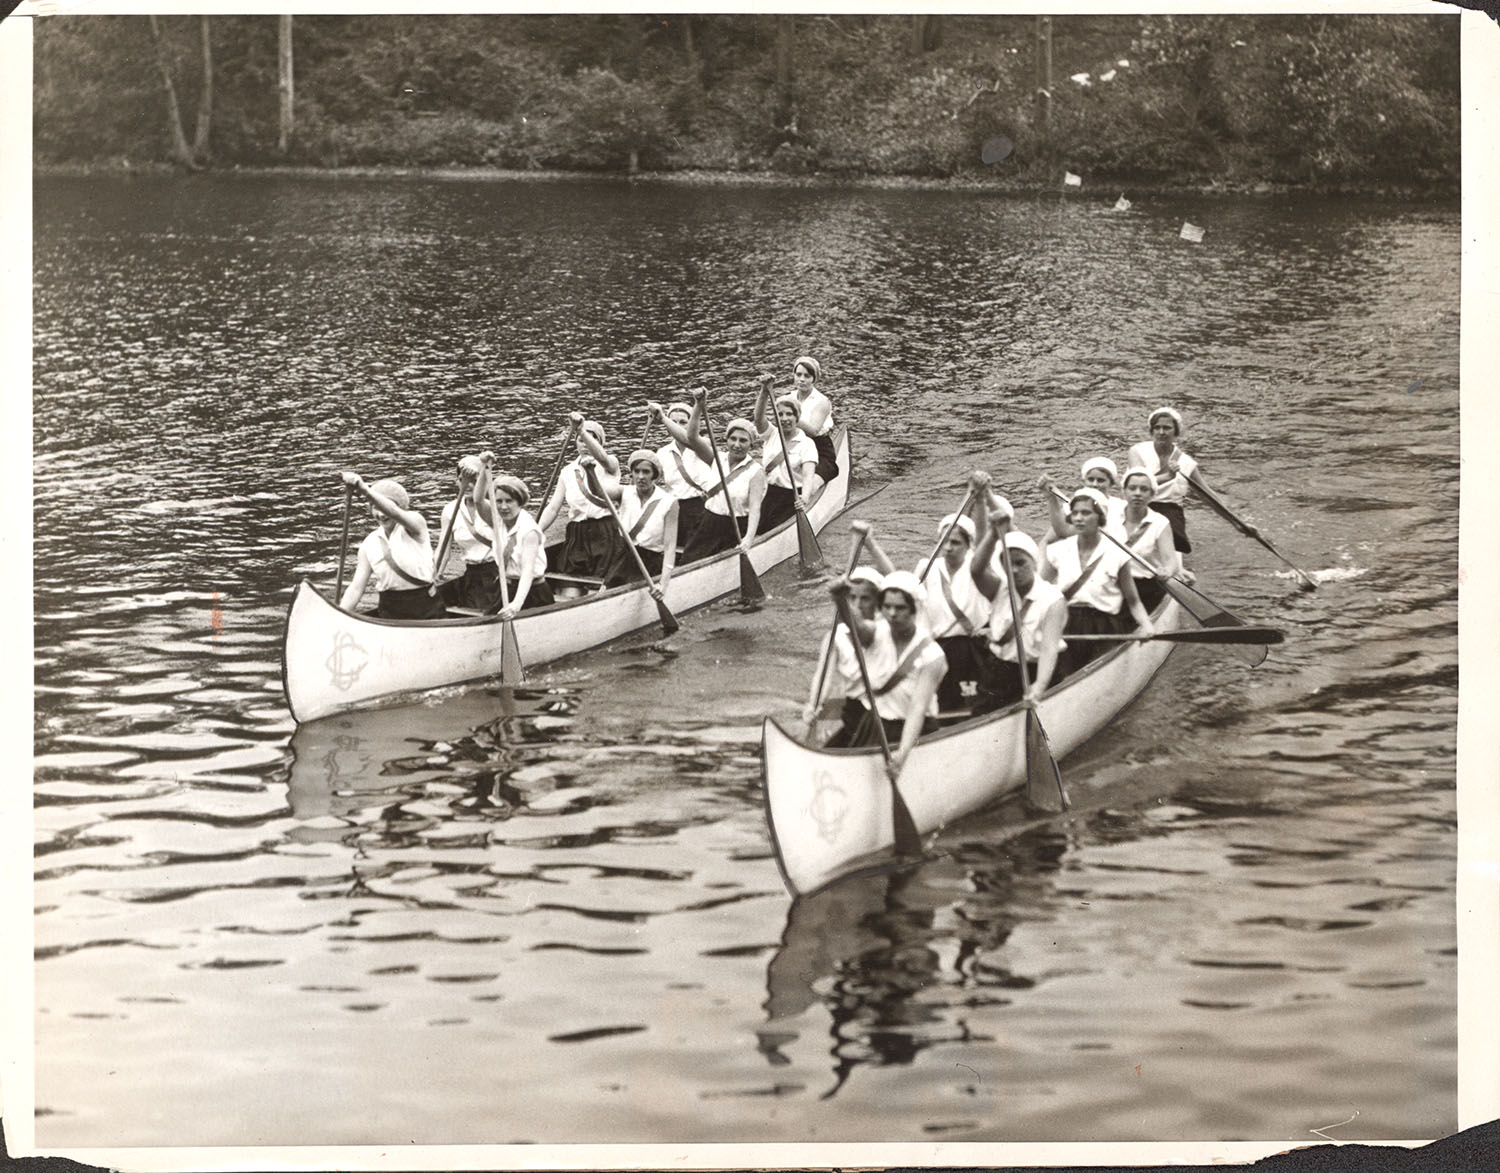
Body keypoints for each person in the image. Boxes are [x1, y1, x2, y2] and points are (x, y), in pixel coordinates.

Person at [830, 569, 948, 780]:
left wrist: (902, 756)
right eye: (887, 607)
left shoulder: (933, 655)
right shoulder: (875, 633)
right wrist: (839, 599)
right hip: (877, 725)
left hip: (915, 732)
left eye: (900, 608)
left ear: (913, 610)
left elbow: (917, 708)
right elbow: (855, 625)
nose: (892, 614)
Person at [1041, 486, 1154, 677]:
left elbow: (1133, 601)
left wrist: (1146, 625)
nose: (1078, 518)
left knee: (1093, 672)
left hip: (1105, 625)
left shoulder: (1117, 554)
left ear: (1100, 517)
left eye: (1085, 513)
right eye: (1074, 513)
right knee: (1060, 675)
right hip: (1066, 623)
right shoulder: (1057, 551)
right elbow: (1038, 592)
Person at [970, 517, 1069, 714]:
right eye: (1008, 563)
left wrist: (1039, 687)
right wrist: (992, 533)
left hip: (1037, 670)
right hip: (1001, 670)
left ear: (1033, 563)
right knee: (982, 713)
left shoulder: (1052, 599)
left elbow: (1049, 649)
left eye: (1020, 563)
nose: (1014, 569)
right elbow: (976, 570)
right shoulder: (998, 589)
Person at [912, 511, 992, 713]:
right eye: (944, 541)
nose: (948, 548)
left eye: (955, 542)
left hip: (971, 648)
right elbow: (908, 598)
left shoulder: (977, 567)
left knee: (974, 704)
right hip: (937, 648)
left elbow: (983, 537)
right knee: (941, 703)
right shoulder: (926, 566)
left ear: (968, 544)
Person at [537, 413, 625, 594]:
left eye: (593, 439)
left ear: (601, 443)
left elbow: (602, 458)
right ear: (575, 442)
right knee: (569, 592)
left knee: (597, 591)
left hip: (606, 533)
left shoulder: (610, 464)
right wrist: (535, 531)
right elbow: (553, 508)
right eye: (581, 440)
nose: (585, 444)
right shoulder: (567, 471)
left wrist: (581, 430)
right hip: (577, 536)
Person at [337, 472, 445, 619]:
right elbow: (356, 588)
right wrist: (338, 616)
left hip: (425, 607)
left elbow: (394, 512)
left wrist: (364, 489)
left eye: (383, 507)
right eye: (375, 508)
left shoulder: (416, 525)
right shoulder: (369, 543)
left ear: (400, 507)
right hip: (389, 610)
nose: (381, 514)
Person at [677, 392, 767, 561]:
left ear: (751, 444)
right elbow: (691, 437)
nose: (737, 445)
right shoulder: (717, 459)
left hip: (735, 527)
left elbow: (755, 509)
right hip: (708, 523)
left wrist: (748, 539)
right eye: (733, 439)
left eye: (743, 440)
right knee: (687, 562)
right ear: (726, 439)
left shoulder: (756, 472)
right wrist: (698, 405)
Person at [806, 558, 886, 747]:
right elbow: (822, 676)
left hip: (885, 710)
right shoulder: (835, 636)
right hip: (855, 712)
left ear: (877, 602)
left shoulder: (887, 629)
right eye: (852, 598)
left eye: (865, 598)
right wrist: (814, 704)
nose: (857, 605)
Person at [1126, 406, 1211, 554]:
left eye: (1167, 428)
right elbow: (1139, 482)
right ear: (1151, 431)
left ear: (1176, 432)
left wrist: (1240, 525)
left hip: (1170, 512)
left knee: (1173, 543)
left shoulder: (1187, 463)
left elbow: (1208, 495)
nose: (1161, 432)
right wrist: (1168, 476)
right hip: (1140, 504)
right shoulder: (1137, 451)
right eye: (1157, 427)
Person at [598, 448, 680, 592]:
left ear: (655, 475)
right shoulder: (624, 492)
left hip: (651, 562)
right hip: (624, 559)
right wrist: (590, 472)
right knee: (603, 593)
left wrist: (663, 584)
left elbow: (669, 548)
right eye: (636, 471)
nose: (640, 476)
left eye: (646, 472)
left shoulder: (669, 502)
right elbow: (597, 491)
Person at [1117, 466, 1189, 613]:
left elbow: (1170, 560)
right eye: (1132, 488)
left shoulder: (1160, 522)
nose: (1137, 493)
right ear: (1124, 492)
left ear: (1152, 494)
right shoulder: (1109, 516)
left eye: (1144, 489)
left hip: (1144, 586)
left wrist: (1167, 571)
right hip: (1112, 582)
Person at [436, 453, 502, 611]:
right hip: (472, 575)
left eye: (473, 481)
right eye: (462, 480)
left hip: (499, 572)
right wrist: (434, 573)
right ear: (456, 482)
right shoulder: (450, 510)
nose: (468, 486)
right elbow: (443, 551)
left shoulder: (497, 507)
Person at [753, 377, 819, 531]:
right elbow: (758, 418)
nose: (784, 419)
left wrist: (805, 497)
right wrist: (764, 390)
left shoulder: (807, 444)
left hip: (791, 497)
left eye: (789, 414)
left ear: (797, 416)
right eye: (780, 414)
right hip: (767, 492)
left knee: (770, 528)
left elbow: (809, 475)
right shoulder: (771, 434)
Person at [488, 472, 554, 615]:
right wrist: (484, 466)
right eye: (499, 501)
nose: (503, 507)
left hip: (534, 593)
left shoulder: (529, 531)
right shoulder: (498, 521)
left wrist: (516, 605)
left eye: (509, 501)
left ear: (520, 502)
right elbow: (478, 500)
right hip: (507, 589)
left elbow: (527, 571)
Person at [650, 396, 714, 541]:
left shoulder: (703, 444)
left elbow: (688, 439)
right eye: (673, 422)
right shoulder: (662, 453)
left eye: (683, 422)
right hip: (677, 509)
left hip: (703, 505)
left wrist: (663, 418)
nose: (678, 426)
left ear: (691, 424)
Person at [1037, 457, 1126, 540]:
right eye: (1091, 479)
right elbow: (1054, 537)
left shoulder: (1122, 507)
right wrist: (1051, 498)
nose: (1095, 484)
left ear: (1111, 483)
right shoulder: (1072, 506)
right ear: (1084, 481)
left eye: (1100, 480)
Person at [788, 355, 839, 487]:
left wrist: (792, 415)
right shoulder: (789, 398)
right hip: (795, 447)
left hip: (820, 450)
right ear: (794, 376)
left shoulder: (822, 402)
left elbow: (813, 431)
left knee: (810, 486)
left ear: (814, 379)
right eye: (798, 375)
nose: (802, 379)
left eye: (807, 376)